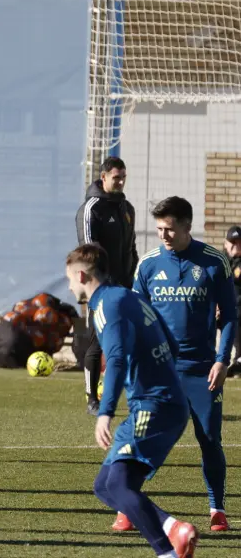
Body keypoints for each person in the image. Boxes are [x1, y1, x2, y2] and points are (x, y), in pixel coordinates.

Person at [65, 243, 198, 558]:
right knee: (105, 486)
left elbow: (115, 359)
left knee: (119, 486)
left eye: (69, 279)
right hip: (162, 403)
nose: (69, 287)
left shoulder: (105, 306)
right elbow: (171, 344)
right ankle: (174, 529)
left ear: (81, 275)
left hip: (154, 405)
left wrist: (105, 412)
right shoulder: (128, 296)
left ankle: (166, 554)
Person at [127, 196, 237, 534]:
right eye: (159, 229)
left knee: (210, 439)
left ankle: (217, 509)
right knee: (145, 438)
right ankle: (127, 505)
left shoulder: (214, 262)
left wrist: (222, 360)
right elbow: (137, 318)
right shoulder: (147, 265)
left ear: (188, 226)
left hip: (202, 370)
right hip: (160, 371)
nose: (163, 235)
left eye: (170, 229)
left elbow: (230, 316)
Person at [75, 156, 138, 414]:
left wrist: (131, 278)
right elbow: (89, 253)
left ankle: (135, 396)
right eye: (116, 177)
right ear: (104, 177)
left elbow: (131, 247)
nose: (121, 182)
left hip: (124, 288)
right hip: (100, 290)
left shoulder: (127, 208)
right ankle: (92, 398)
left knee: (125, 343)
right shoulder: (91, 209)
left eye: (123, 177)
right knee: (97, 342)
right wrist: (103, 286)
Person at [224, 225, 241, 378]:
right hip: (222, 309)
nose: (236, 246)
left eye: (239, 242)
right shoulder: (221, 260)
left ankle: (237, 364)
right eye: (233, 242)